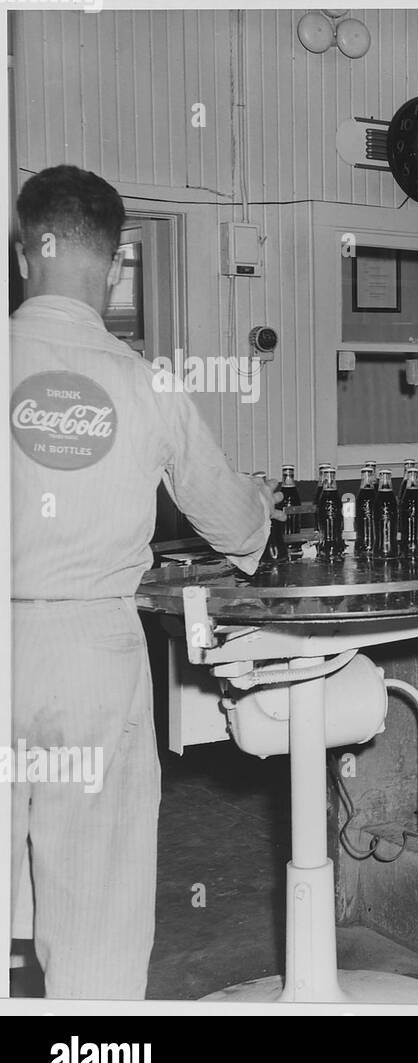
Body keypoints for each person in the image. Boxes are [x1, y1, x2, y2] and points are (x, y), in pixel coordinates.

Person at [9, 164, 280, 998]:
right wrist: (258, 511)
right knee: (95, 909)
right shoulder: (147, 383)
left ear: (25, 256)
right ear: (119, 263)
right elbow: (234, 527)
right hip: (93, 655)